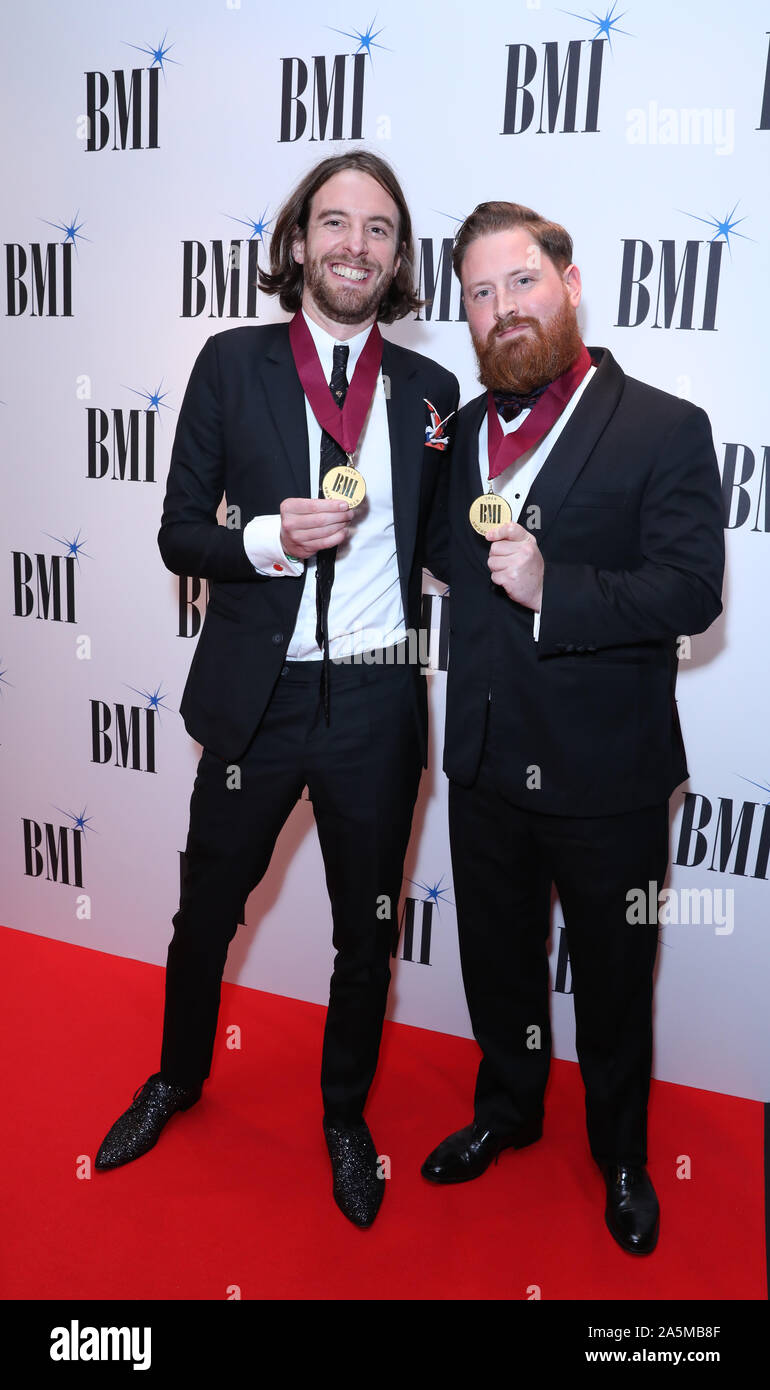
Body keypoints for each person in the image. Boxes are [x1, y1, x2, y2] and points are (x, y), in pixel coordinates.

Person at [94, 151, 458, 1229]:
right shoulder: (230, 363)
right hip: (260, 697)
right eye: (334, 222)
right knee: (207, 908)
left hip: (380, 701)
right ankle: (176, 1076)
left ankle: (344, 1117)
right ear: (297, 241)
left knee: (365, 928)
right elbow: (175, 532)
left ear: (396, 257)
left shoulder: (431, 393)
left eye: (379, 228)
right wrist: (261, 538)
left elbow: (441, 543)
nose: (355, 244)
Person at [420, 201, 725, 1254]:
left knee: (609, 974)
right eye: (478, 293)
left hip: (608, 775)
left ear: (569, 281)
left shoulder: (663, 425)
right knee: (496, 961)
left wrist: (557, 588)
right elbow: (422, 554)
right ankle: (506, 1110)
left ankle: (622, 1153)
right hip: (487, 759)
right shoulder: (454, 434)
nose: (501, 308)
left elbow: (688, 593)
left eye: (519, 281)